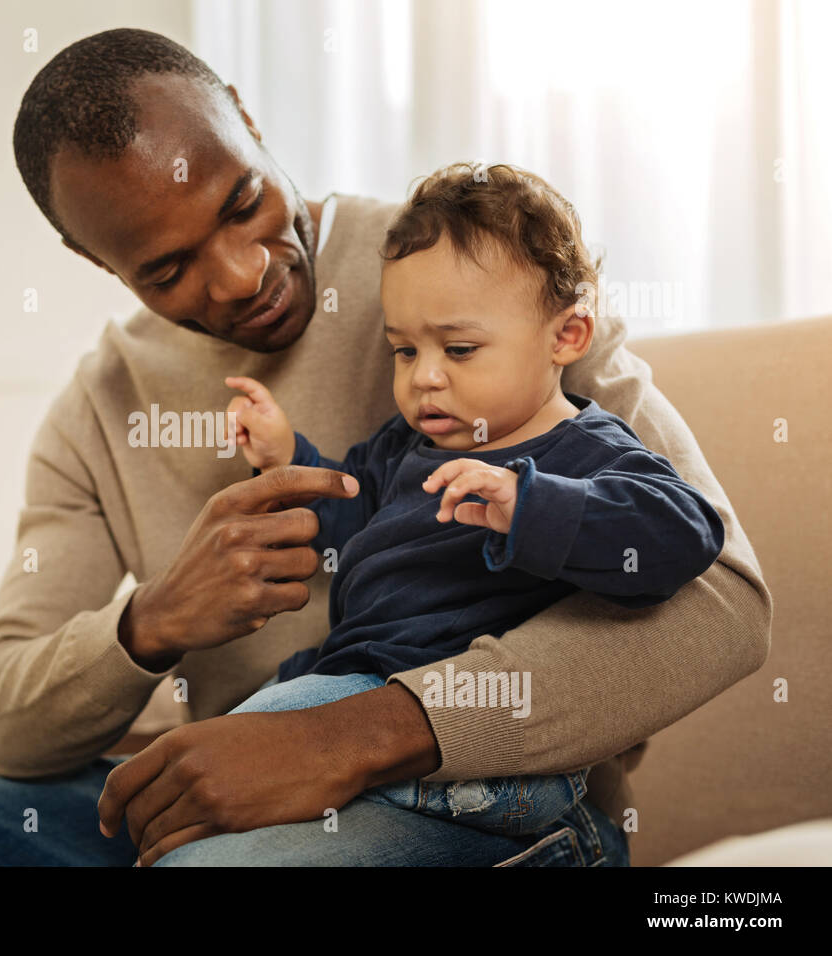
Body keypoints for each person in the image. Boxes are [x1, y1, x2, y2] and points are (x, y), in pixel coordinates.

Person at [0, 29, 770, 868]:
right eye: (165, 267)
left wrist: (347, 734)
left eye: (242, 201)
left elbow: (723, 603)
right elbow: (2, 723)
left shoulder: (459, 270)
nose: (234, 274)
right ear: (93, 260)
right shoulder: (100, 405)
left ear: (251, 123)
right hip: (205, 783)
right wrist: (151, 620)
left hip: (461, 805)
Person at [218, 161, 726, 839]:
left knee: (228, 765)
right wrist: (289, 457)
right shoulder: (406, 447)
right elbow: (352, 514)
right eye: (403, 351)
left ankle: (499, 813)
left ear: (566, 337)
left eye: (459, 349)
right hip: (356, 689)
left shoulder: (587, 449)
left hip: (462, 729)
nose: (425, 377)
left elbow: (683, 535)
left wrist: (530, 507)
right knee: (216, 760)